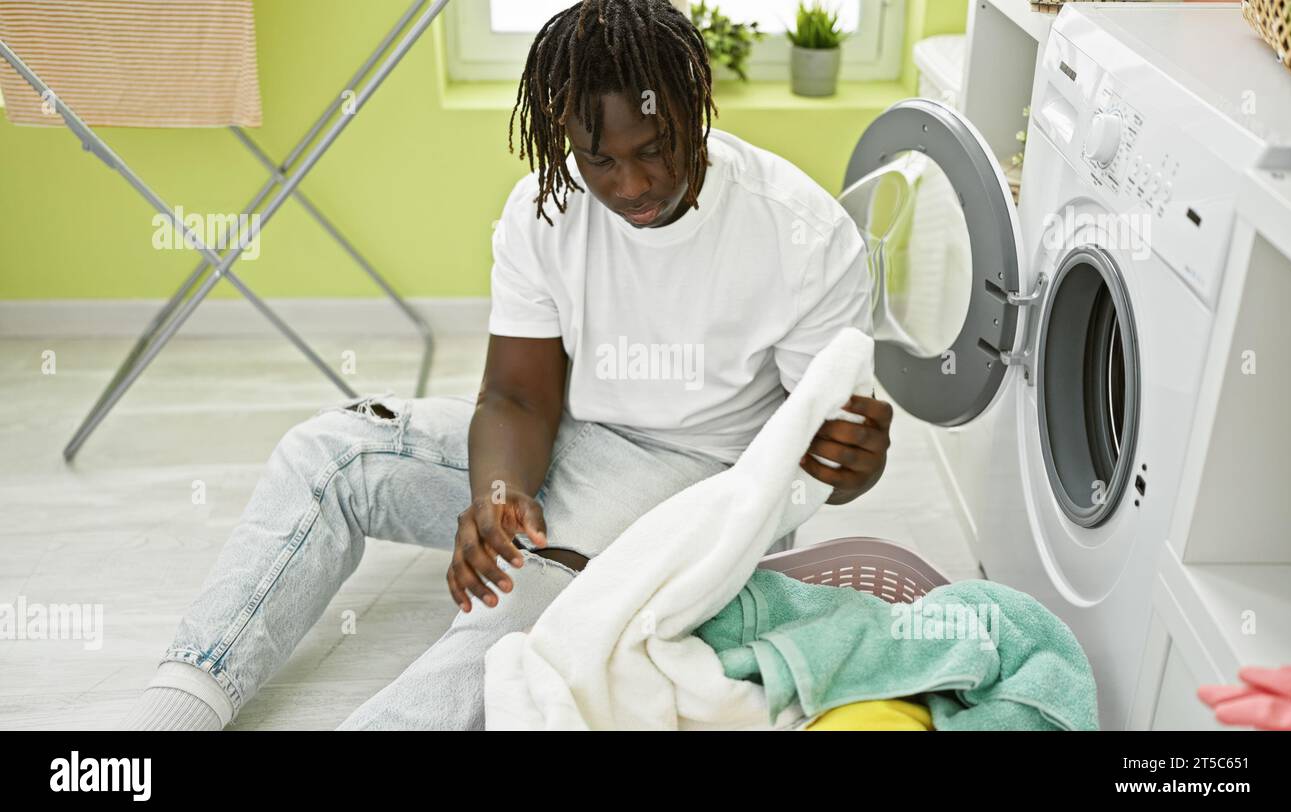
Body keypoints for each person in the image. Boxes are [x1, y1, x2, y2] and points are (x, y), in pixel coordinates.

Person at [118, 0, 894, 732]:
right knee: (334, 451)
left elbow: (809, 458)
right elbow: (518, 396)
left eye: (653, 150)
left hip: (697, 481)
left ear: (696, 102)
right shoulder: (543, 211)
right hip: (568, 438)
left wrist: (851, 468)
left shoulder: (799, 233)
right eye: (600, 160)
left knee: (515, 617)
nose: (632, 185)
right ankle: (174, 709)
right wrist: (501, 495)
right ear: (563, 136)